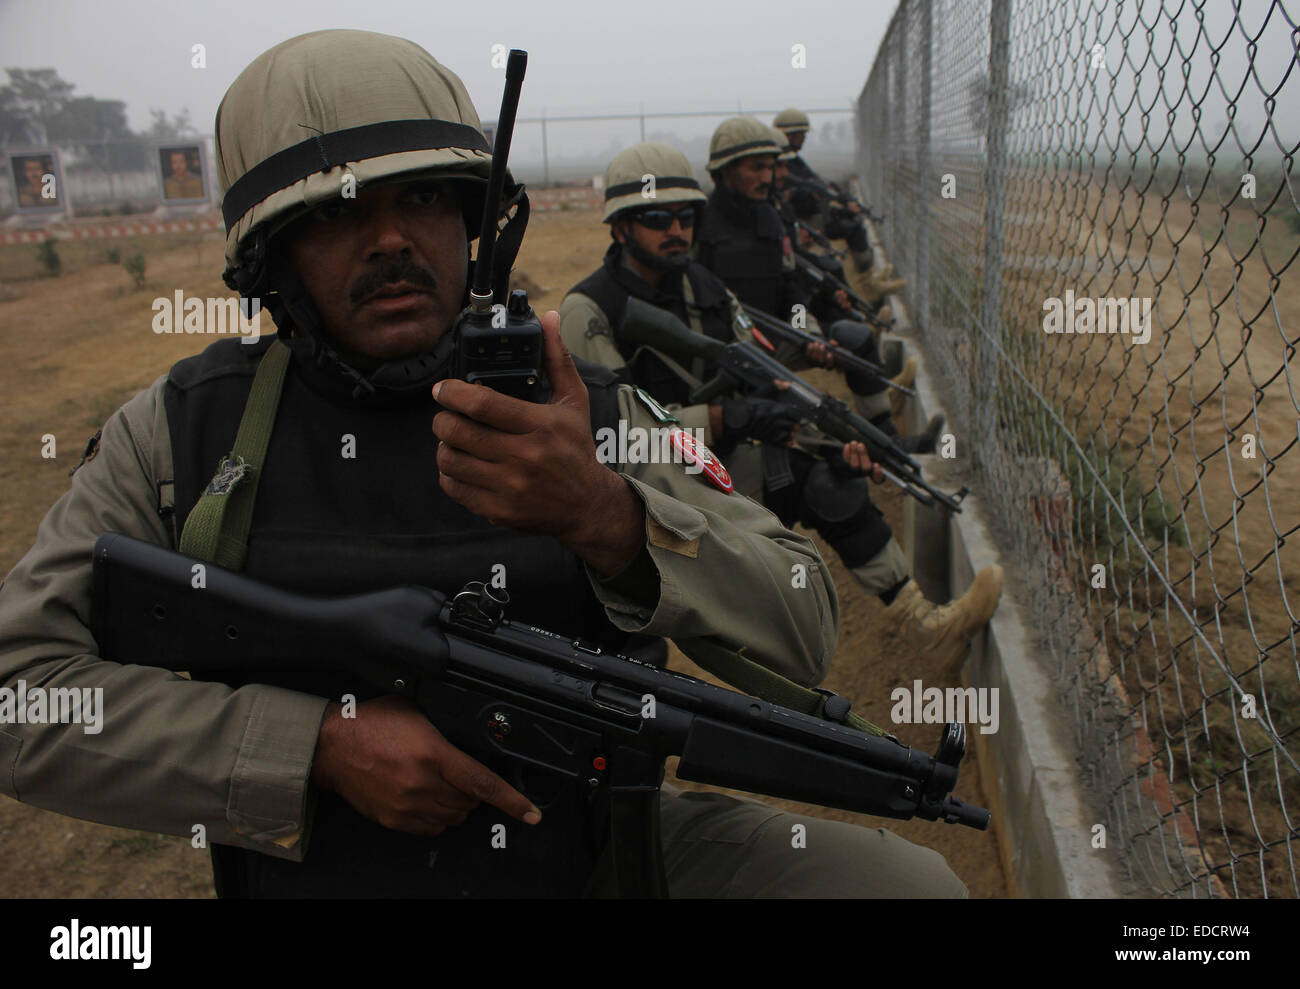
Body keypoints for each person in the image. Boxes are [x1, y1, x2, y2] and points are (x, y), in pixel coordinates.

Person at [0, 31, 964, 898]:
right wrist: (312, 749)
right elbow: (21, 690)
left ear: (473, 221)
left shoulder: (584, 403)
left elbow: (804, 623)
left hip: (592, 847)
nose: (389, 239)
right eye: (339, 215)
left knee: (905, 885)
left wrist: (608, 517)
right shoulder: (181, 434)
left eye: (421, 197)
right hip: (321, 869)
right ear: (273, 258)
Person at [560, 141, 1003, 686]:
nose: (675, 230)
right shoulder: (590, 311)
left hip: (710, 463)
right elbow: (616, 436)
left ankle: (926, 627)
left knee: (831, 478)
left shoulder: (702, 286)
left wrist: (825, 421)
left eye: (684, 217)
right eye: (655, 219)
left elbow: (758, 354)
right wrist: (726, 419)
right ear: (621, 228)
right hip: (641, 492)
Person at [696, 117, 932, 452]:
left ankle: (888, 441)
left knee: (855, 338)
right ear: (723, 170)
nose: (767, 177)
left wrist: (807, 334)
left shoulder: (769, 218)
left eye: (771, 167)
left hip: (774, 339)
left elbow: (790, 287)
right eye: (756, 168)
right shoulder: (696, 226)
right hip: (719, 353)